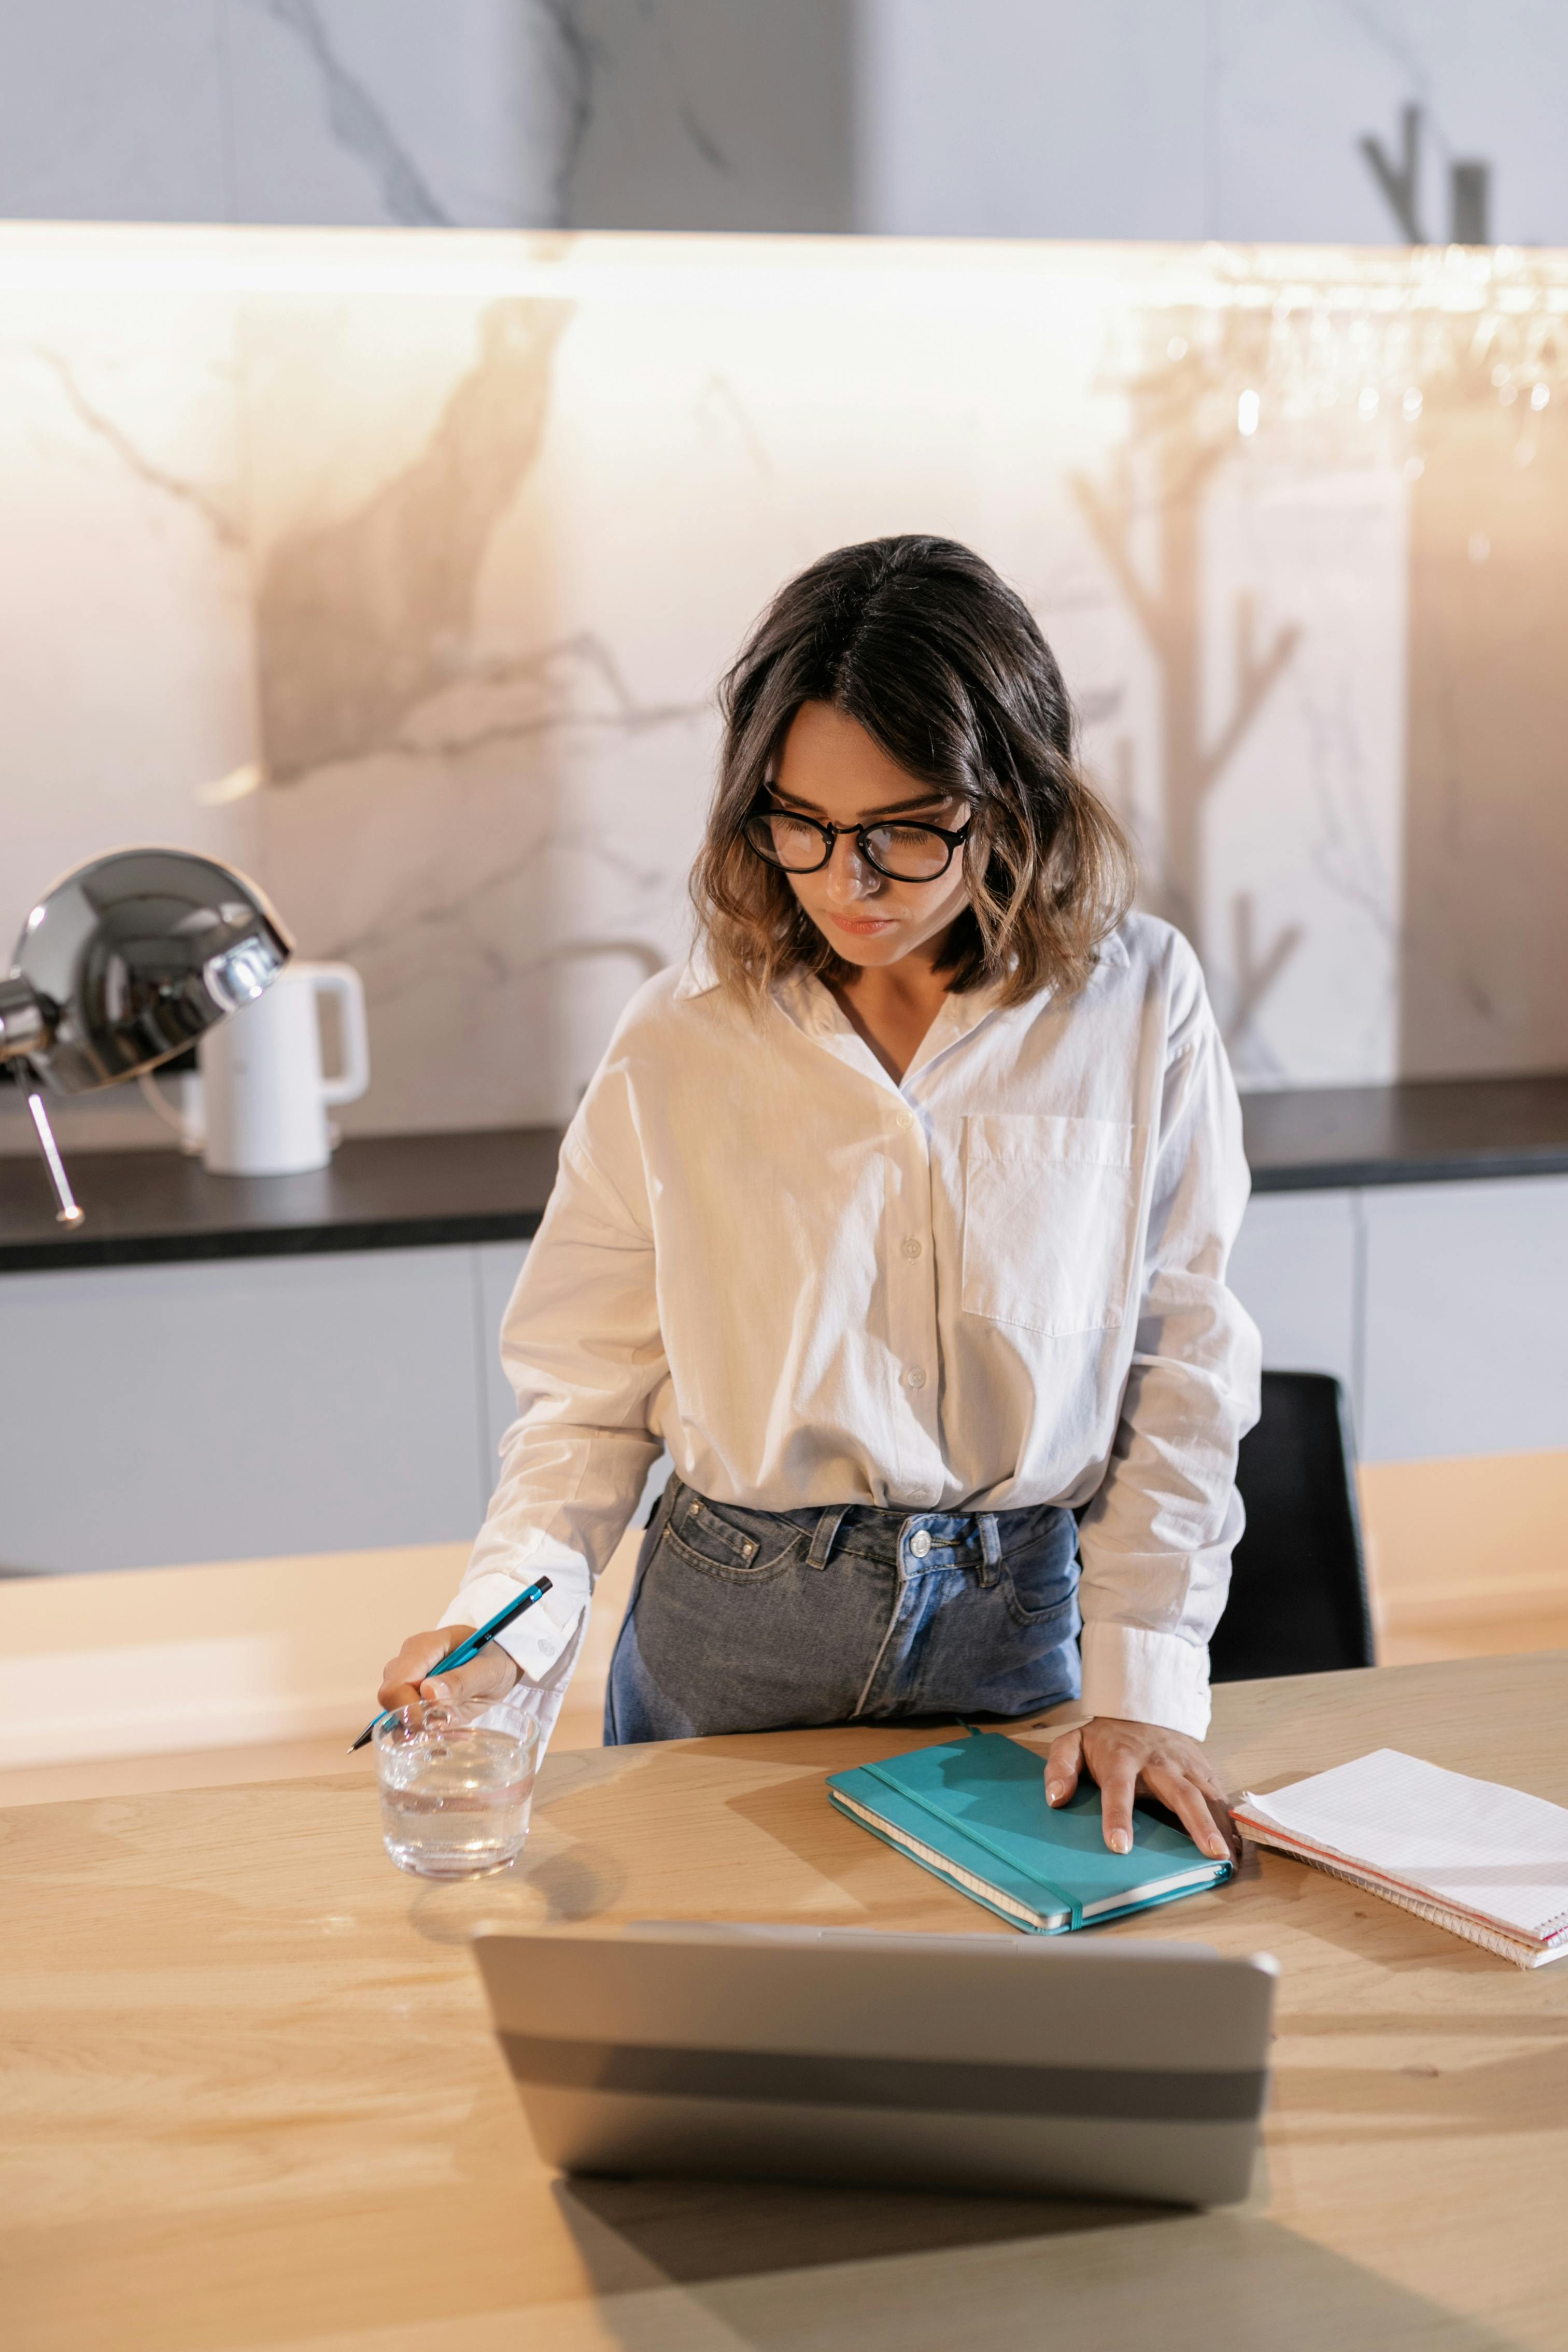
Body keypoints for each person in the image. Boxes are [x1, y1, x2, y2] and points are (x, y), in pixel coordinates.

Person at [381, 535, 1260, 1861]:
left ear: (1011, 797)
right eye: (802, 825)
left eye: (905, 831)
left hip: (1013, 1632)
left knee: (1000, 2028)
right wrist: (500, 1625)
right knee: (721, 2017)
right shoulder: (678, 1040)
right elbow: (585, 1399)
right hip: (729, 1639)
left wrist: (1145, 1687)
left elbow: (1178, 1358)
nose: (846, 882)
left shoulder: (1137, 1003)